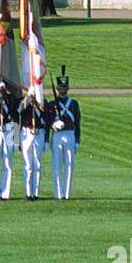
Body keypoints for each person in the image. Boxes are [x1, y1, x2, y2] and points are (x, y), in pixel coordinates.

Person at [49, 66, 80, 200]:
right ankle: (58, 194)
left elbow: (77, 122)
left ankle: (66, 194)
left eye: (64, 87)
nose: (62, 90)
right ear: (57, 89)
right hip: (57, 135)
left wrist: (77, 141)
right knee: (57, 165)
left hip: (70, 134)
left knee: (69, 165)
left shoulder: (73, 103)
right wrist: (53, 124)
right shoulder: (52, 104)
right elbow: (47, 119)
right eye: (61, 88)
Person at [18, 88, 48, 200]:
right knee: (28, 165)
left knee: (37, 164)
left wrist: (46, 139)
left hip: (39, 133)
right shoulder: (24, 101)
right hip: (27, 132)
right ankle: (28, 192)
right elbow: (19, 110)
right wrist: (28, 98)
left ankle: (36, 193)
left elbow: (46, 119)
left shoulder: (43, 102)